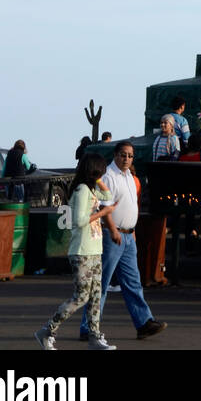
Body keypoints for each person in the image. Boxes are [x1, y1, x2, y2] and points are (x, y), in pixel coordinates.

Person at [77, 141, 167, 342]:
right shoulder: (108, 176)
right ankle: (88, 326)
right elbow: (105, 206)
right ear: (115, 155)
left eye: (130, 156)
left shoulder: (130, 177)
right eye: (123, 155)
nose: (126, 159)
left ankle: (144, 323)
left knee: (133, 282)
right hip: (112, 235)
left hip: (127, 235)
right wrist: (113, 230)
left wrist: (130, 230)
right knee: (102, 283)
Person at [34, 153, 117, 350]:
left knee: (96, 295)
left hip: (94, 249)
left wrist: (97, 180)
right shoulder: (81, 191)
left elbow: (108, 196)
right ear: (94, 170)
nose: (104, 174)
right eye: (101, 170)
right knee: (81, 296)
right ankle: (47, 330)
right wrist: (103, 213)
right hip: (82, 252)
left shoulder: (91, 189)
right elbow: (78, 221)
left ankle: (95, 337)